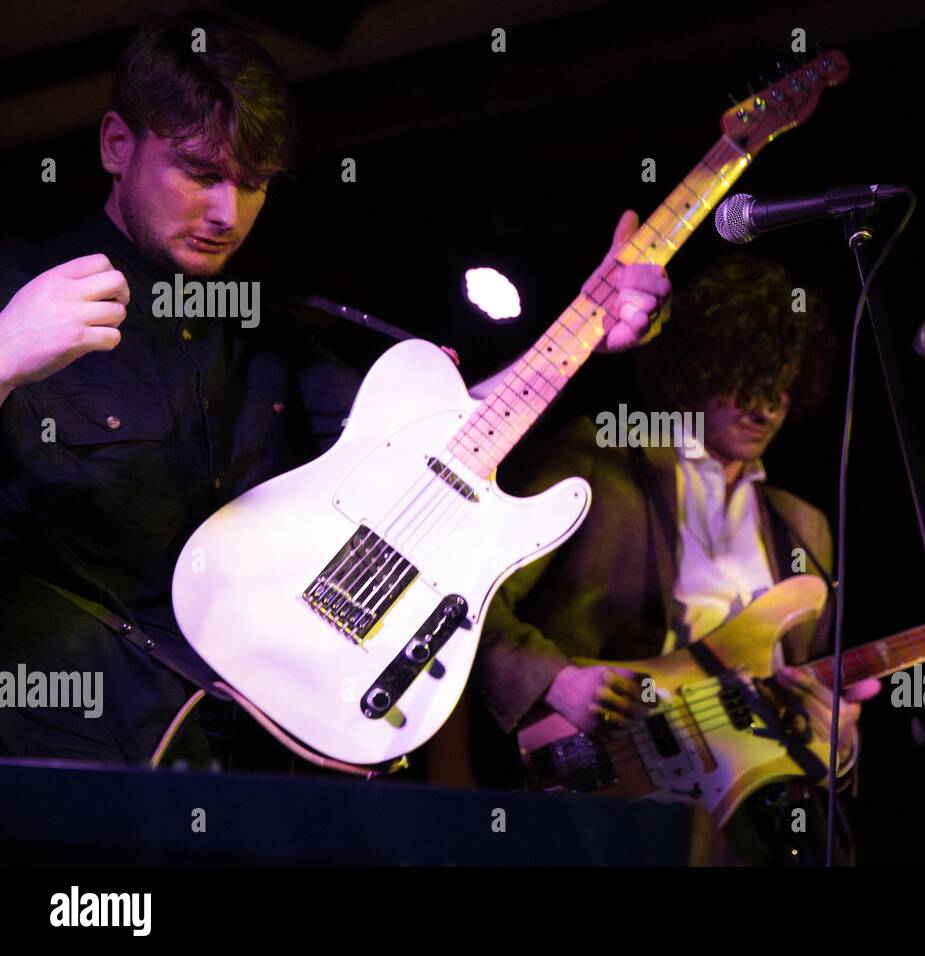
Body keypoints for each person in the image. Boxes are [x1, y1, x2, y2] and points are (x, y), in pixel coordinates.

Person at [0, 18, 669, 764]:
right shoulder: (14, 290)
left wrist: (581, 332)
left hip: (242, 757)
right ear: (116, 146)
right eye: (199, 172)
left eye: (252, 185)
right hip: (54, 745)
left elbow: (440, 440)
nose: (228, 213)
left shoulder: (270, 336)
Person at [472, 252, 880, 864]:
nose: (765, 407)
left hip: (754, 820)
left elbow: (809, 700)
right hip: (609, 791)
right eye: (747, 379)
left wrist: (839, 743)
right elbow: (470, 599)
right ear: (699, 369)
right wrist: (556, 682)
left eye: (782, 387)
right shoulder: (598, 458)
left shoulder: (804, 527)